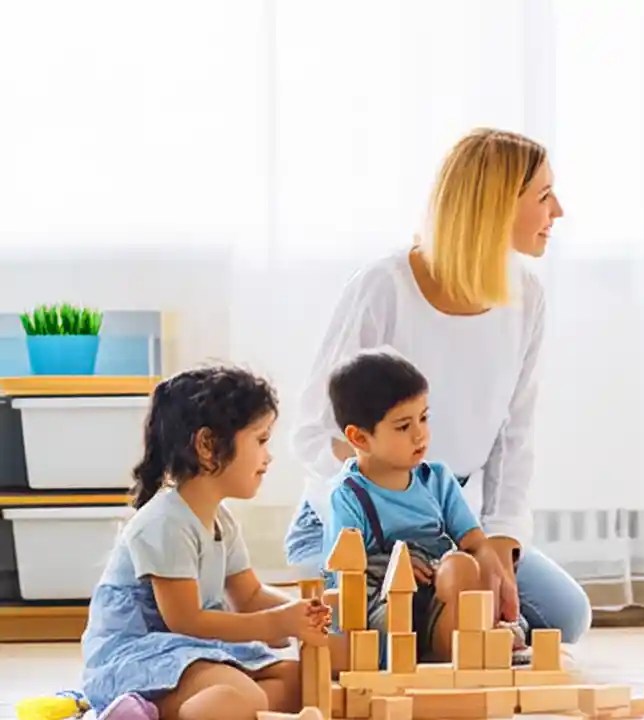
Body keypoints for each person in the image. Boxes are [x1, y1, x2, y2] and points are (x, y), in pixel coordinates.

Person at [284, 127, 592, 644]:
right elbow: (313, 433)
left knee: (566, 615)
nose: (557, 210)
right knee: (379, 630)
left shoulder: (528, 297)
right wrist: (393, 502)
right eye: (543, 196)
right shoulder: (384, 287)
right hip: (352, 526)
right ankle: (434, 627)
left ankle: (440, 622)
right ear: (495, 207)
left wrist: (498, 543)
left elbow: (515, 439)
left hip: (445, 524)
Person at [81, 367, 330, 720]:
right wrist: (278, 624)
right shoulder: (165, 522)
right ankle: (138, 712)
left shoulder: (220, 521)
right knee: (241, 696)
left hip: (192, 651)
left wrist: (307, 609)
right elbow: (187, 620)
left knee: (299, 679)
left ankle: (220, 711)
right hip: (140, 656)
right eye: (260, 440)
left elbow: (250, 596)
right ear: (208, 446)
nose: (269, 457)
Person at [320, 348, 524, 663]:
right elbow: (342, 577)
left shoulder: (438, 479)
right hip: (389, 604)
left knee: (462, 565)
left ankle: (469, 640)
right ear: (360, 438)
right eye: (403, 426)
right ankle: (462, 648)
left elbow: (476, 545)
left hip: (442, 590)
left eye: (424, 418)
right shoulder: (348, 495)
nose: (420, 434)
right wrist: (394, 568)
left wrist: (491, 578)